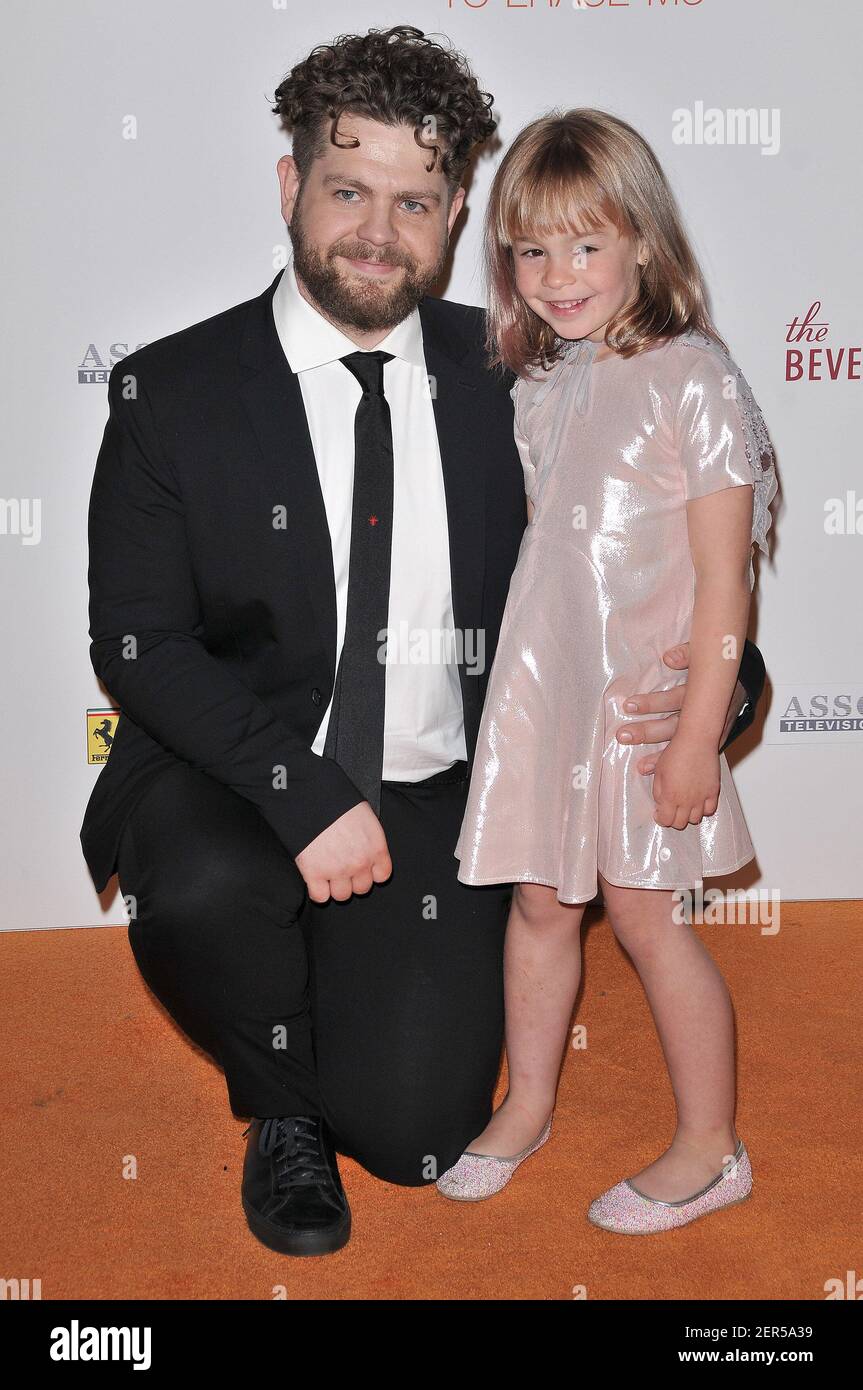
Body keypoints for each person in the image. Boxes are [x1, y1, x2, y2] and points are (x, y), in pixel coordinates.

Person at [80, 32, 766, 1258]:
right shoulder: (169, 392)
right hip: (239, 780)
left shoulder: (516, 371)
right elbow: (136, 644)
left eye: (415, 200)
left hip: (440, 793)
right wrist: (297, 792)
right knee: (198, 885)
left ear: (454, 214)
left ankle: (361, 1010)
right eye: (348, 190)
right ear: (291, 188)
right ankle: (277, 1105)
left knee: (413, 1136)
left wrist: (715, 692)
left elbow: (639, 548)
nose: (378, 231)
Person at [440, 109, 778, 1234]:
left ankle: (708, 1145)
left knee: (644, 916)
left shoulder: (693, 377)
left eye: (585, 244)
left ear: (641, 239)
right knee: (537, 902)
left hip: (642, 711)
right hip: (547, 694)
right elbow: (552, 560)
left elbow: (725, 579)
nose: (556, 274)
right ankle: (525, 1103)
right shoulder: (541, 385)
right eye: (529, 250)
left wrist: (696, 733)